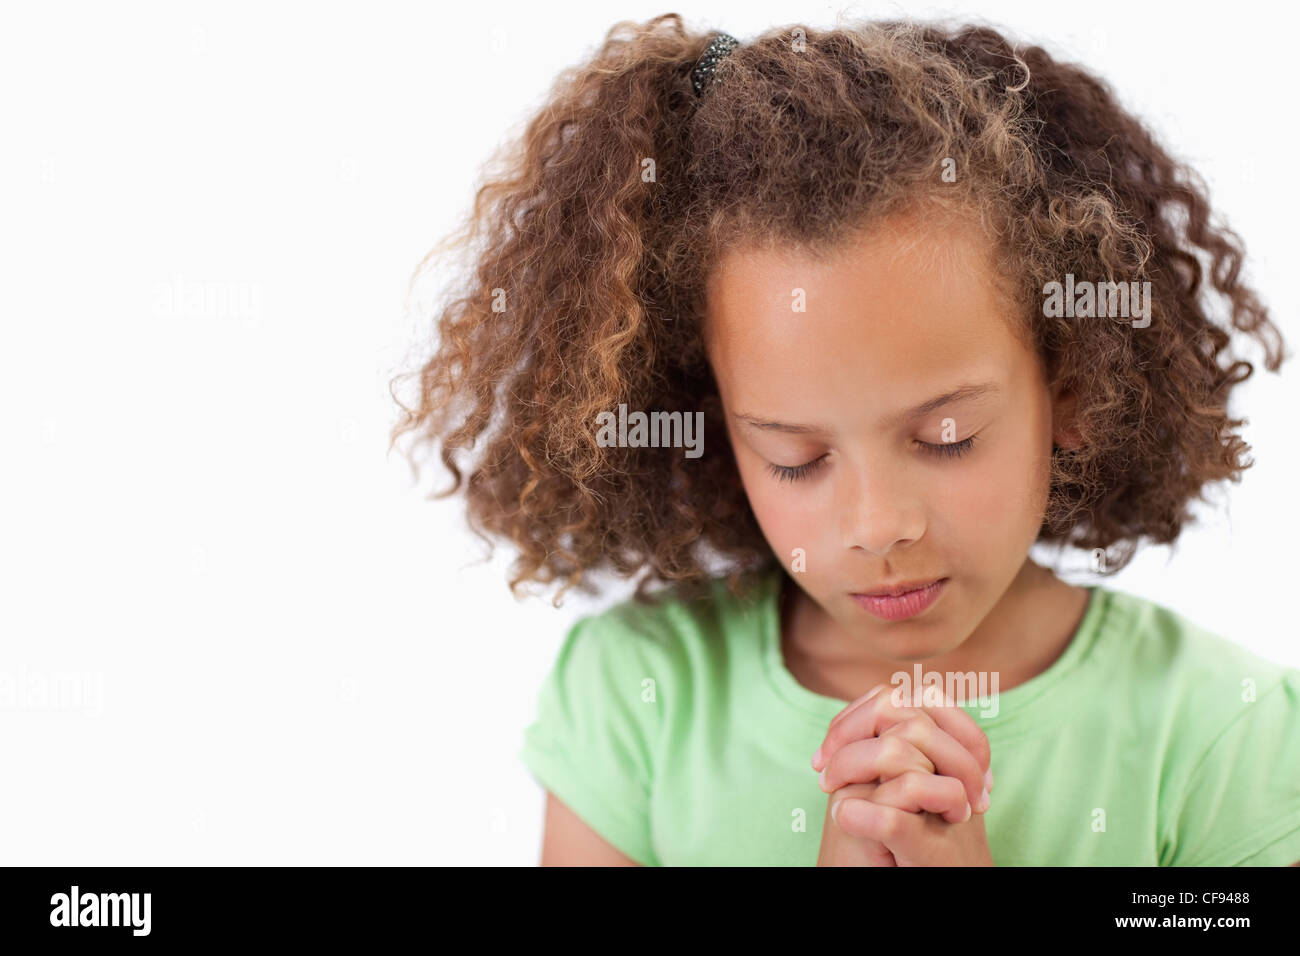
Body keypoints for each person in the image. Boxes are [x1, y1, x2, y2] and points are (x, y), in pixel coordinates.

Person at [390, 14, 1299, 865]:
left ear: (1072, 387)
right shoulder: (635, 703)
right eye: (797, 458)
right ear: (712, 423)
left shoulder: (1228, 735)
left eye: (947, 436)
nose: (877, 526)